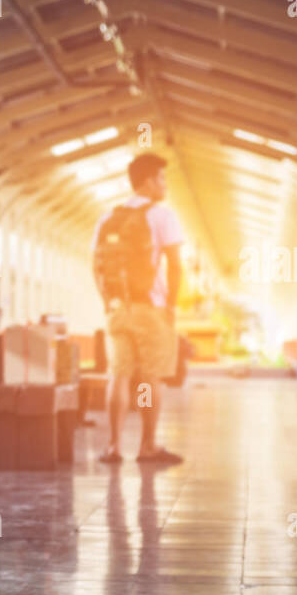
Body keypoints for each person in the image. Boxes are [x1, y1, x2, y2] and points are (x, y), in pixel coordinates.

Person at [91, 152, 184, 465]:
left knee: (118, 375)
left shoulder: (108, 217)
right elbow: (175, 265)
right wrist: (170, 305)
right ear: (148, 182)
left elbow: (96, 265)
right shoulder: (161, 215)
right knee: (148, 379)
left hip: (118, 308)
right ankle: (146, 446)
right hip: (150, 308)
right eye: (162, 178)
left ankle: (114, 446)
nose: (165, 185)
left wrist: (107, 302)